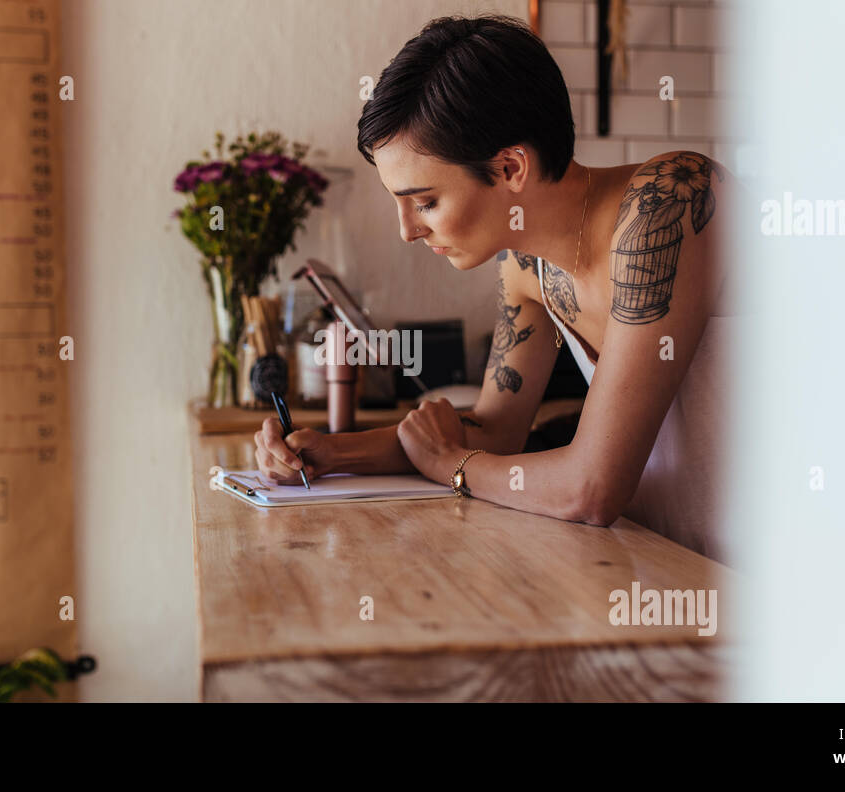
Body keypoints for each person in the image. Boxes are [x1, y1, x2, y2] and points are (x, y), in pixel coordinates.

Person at [252, 14, 740, 563]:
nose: (407, 230)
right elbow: (495, 431)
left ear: (510, 167)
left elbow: (590, 489)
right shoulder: (524, 266)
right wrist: (332, 452)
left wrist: (449, 465)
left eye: (426, 201)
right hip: (669, 562)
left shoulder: (669, 199)